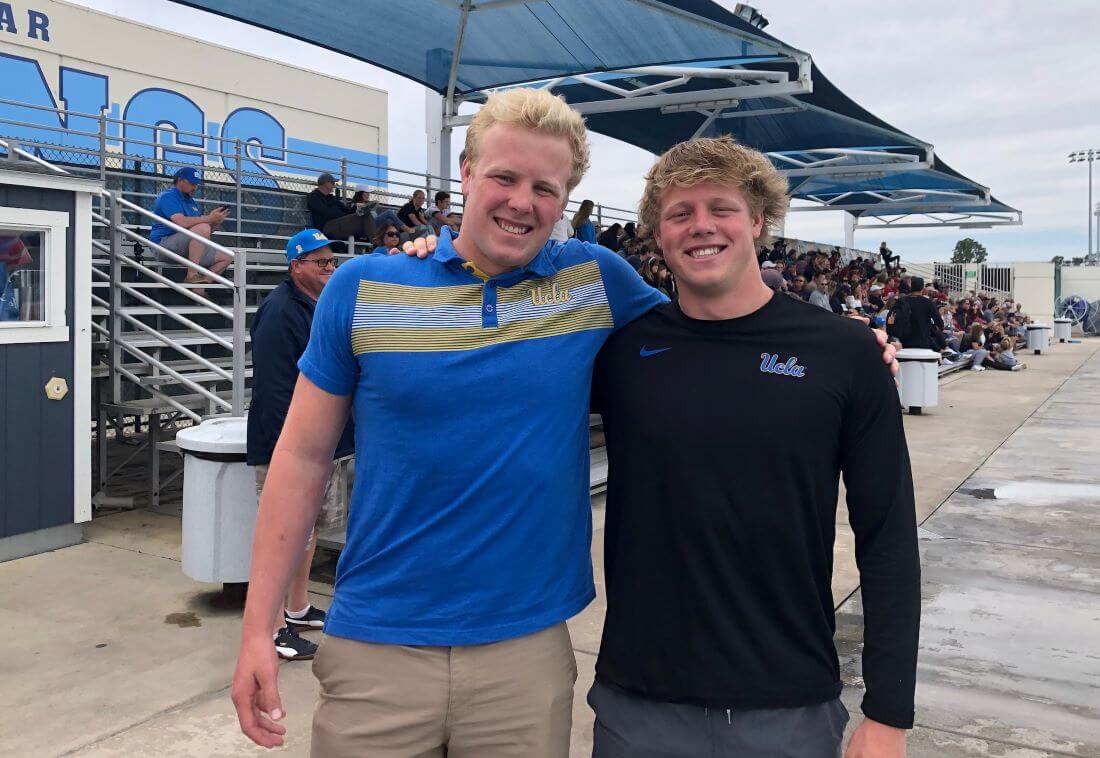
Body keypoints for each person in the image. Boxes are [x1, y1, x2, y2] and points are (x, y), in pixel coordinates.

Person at [230, 88, 898, 756]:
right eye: (503, 177)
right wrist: (259, 627)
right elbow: (303, 457)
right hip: (376, 643)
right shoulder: (362, 288)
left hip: (525, 654)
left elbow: (714, 332)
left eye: (544, 187)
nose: (522, 201)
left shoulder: (592, 280)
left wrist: (839, 346)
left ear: (565, 198)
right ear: (463, 174)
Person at [590, 135, 918, 758]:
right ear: (657, 235)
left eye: (722, 208)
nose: (701, 226)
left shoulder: (844, 353)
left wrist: (889, 711)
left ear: (759, 221)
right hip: (641, 704)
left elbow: (889, 537)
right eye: (680, 213)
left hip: (790, 705)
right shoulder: (620, 351)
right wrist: (425, 257)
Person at [246, 228, 355, 661]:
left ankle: (297, 608)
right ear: (296, 267)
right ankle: (272, 629)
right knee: (284, 536)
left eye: (333, 262)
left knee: (307, 535)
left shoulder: (319, 304)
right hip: (286, 444)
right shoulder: (279, 311)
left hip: (321, 442)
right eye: (321, 262)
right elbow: (276, 390)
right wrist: (290, 452)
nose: (330, 268)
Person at [149, 167, 232, 288]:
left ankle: (198, 289)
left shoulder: (191, 201)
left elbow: (205, 233)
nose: (195, 187)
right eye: (192, 183)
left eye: (196, 184)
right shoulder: (168, 196)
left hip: (185, 249)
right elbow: (181, 222)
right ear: (180, 180)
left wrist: (215, 222)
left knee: (227, 256)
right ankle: (192, 275)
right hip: (163, 246)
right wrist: (209, 218)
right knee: (203, 226)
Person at [306, 173, 375, 243]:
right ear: (327, 183)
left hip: (339, 225)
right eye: (333, 183)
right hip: (327, 228)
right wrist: (348, 216)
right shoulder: (314, 197)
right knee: (364, 215)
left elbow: (347, 212)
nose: (334, 185)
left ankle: (374, 241)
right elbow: (327, 213)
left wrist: (356, 206)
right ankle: (375, 242)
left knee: (365, 214)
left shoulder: (332, 199)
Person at [901, 276, 944, 349]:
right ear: (922, 288)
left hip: (904, 342)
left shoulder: (901, 301)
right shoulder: (928, 302)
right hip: (923, 342)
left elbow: (891, 318)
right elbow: (939, 322)